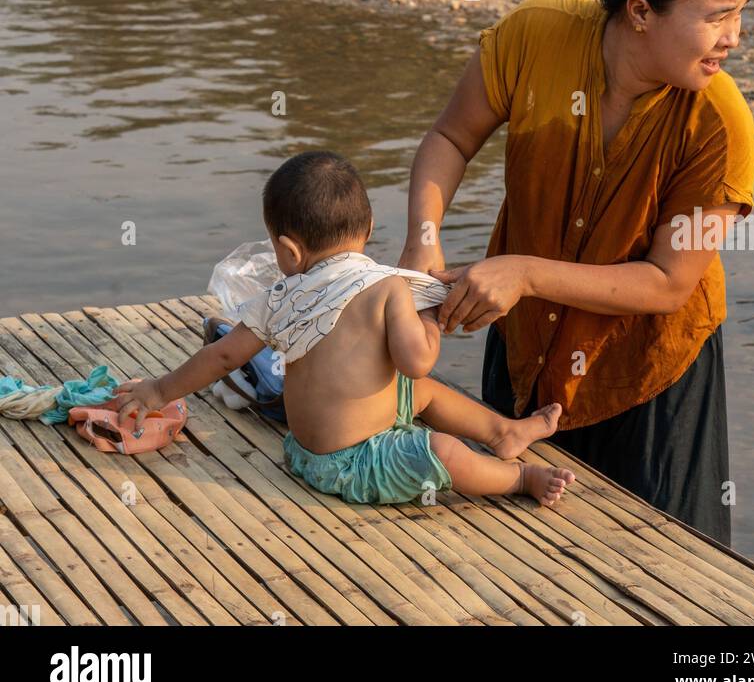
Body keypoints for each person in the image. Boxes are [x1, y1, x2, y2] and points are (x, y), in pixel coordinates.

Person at [398, 0, 754, 543]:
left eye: (740, 13)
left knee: (668, 571)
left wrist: (523, 272)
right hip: (529, 349)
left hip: (650, 375)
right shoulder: (535, 37)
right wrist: (423, 239)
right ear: (642, 13)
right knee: (515, 550)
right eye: (718, 17)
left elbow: (666, 283)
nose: (736, 37)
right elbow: (451, 136)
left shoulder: (719, 121)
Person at [113, 152, 574, 508]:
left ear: (289, 251)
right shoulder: (389, 287)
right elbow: (416, 359)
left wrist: (157, 391)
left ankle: (502, 432)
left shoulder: (281, 294)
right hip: (357, 465)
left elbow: (222, 357)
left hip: (303, 452)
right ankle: (518, 479)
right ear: (370, 227)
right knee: (444, 450)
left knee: (422, 394)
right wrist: (430, 317)